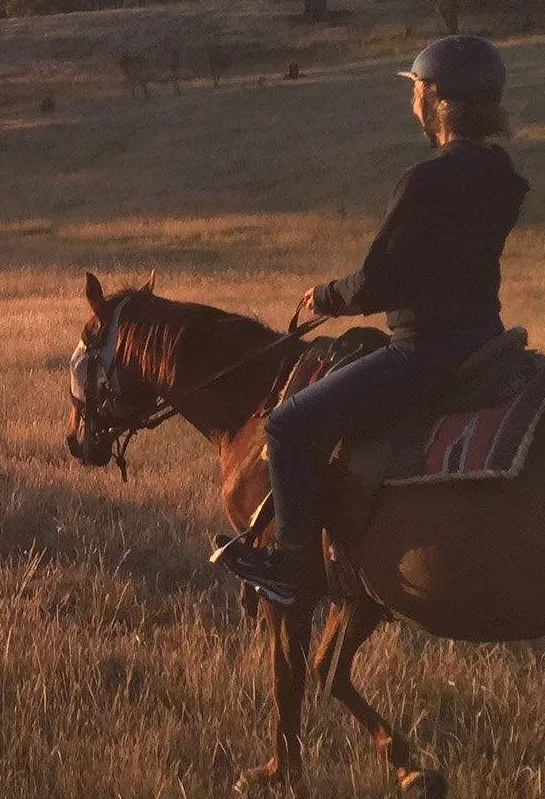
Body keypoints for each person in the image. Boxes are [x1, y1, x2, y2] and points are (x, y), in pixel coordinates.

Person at [214, 35, 528, 606]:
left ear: (436, 100)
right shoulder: (504, 176)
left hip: (424, 350)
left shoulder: (426, 180)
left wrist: (325, 296)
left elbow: (378, 282)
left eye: (416, 91)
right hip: (486, 337)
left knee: (285, 425)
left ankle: (292, 568)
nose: (412, 102)